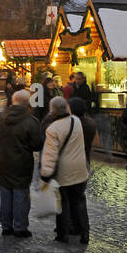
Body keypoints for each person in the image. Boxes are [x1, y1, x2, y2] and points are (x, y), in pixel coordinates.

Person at [0, 88, 43, 237]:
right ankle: (20, 227)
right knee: (21, 195)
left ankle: (6, 226)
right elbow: (37, 145)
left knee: (6, 195)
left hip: (4, 162)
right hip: (22, 163)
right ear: (27, 103)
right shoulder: (31, 121)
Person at [40, 96, 91, 245]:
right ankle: (84, 233)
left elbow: (50, 155)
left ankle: (63, 235)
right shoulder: (76, 121)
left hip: (63, 173)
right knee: (79, 201)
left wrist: (45, 175)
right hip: (80, 170)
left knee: (61, 203)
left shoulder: (53, 129)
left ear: (53, 111)